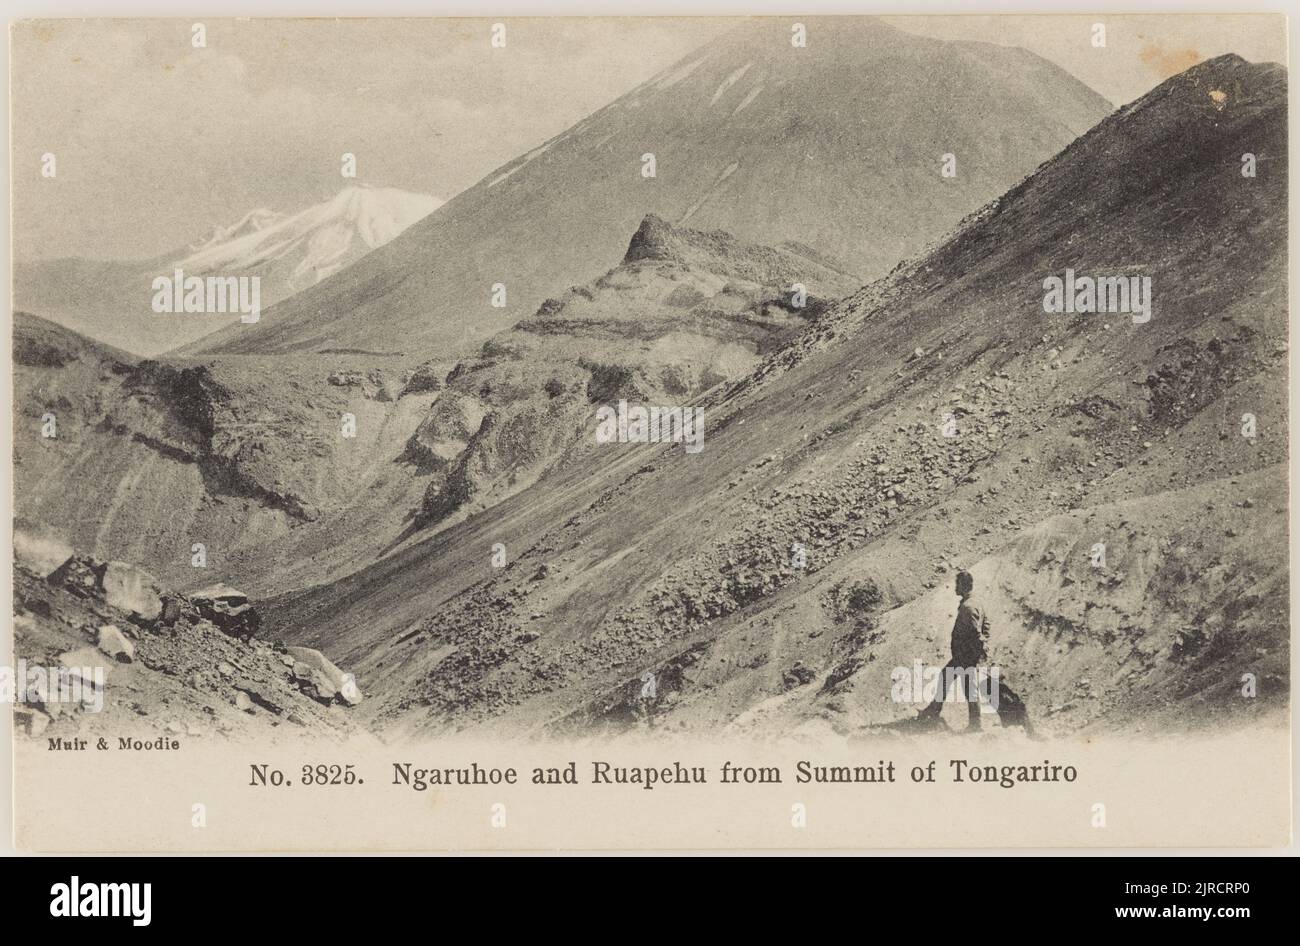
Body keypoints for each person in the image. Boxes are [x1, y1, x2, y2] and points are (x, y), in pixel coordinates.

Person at [920, 569, 990, 731]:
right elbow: (986, 624)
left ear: (964, 586)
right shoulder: (977, 602)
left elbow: (974, 631)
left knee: (951, 680)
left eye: (957, 584)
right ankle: (972, 722)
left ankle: (934, 713)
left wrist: (980, 643)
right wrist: (984, 641)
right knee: (962, 685)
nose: (954, 588)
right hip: (967, 654)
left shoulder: (968, 606)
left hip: (964, 655)